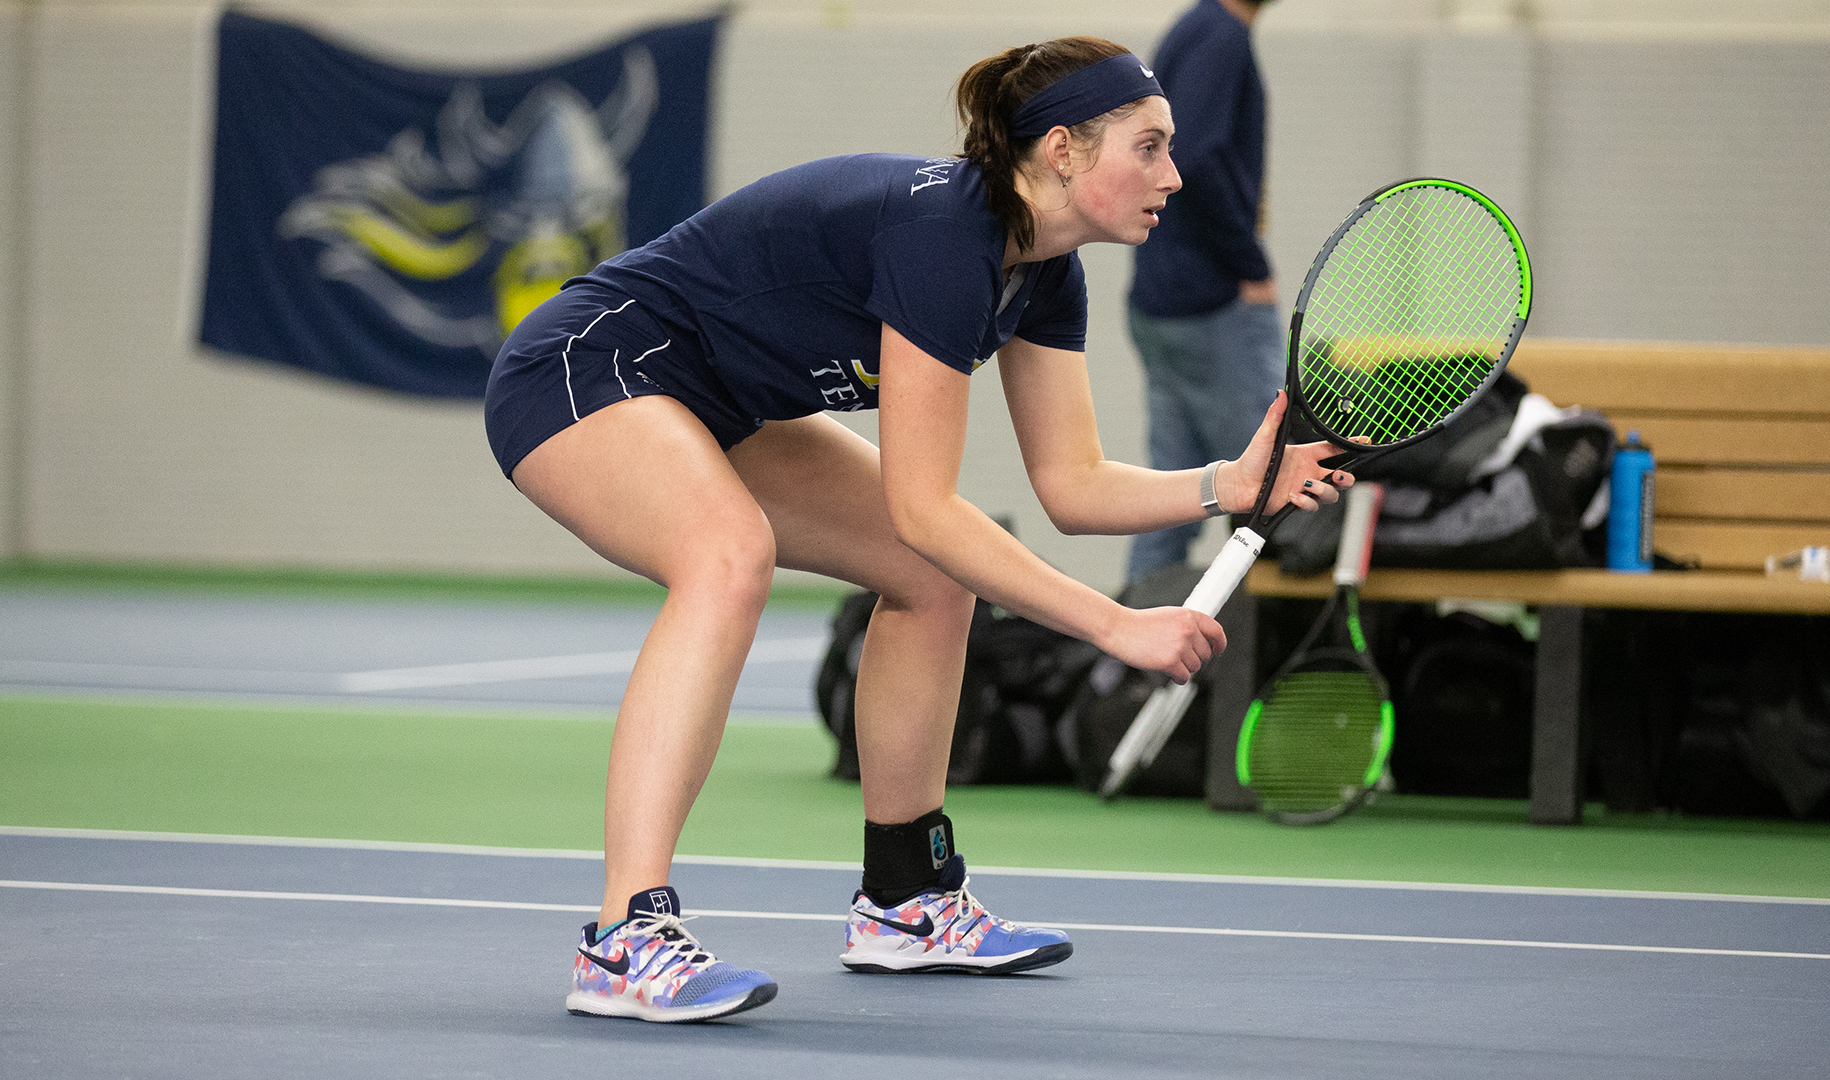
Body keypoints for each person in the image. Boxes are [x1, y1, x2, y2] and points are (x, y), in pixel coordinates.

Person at [484, 36, 1349, 1024]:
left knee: (932, 578)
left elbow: (1071, 484)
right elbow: (925, 505)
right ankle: (624, 937)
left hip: (718, 401)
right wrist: (1114, 624)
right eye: (1148, 147)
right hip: (590, 366)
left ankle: (905, 902)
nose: (1175, 175)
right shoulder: (946, 237)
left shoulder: (1045, 273)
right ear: (1063, 150)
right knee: (728, 557)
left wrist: (1227, 484)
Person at [1125, 0, 1283, 582]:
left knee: (1171, 497)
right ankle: (1272, 660)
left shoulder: (1200, 31)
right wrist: (1250, 263)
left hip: (1164, 304)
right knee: (1274, 496)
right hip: (1209, 305)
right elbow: (1196, 154)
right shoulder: (1220, 36)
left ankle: (1128, 668)